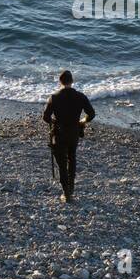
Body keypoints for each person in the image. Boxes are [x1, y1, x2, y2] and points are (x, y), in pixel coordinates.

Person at [42, 70, 95, 202]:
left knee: (61, 162)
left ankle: (66, 192)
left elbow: (46, 117)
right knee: (72, 158)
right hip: (74, 132)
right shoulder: (80, 96)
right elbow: (91, 114)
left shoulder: (54, 97)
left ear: (60, 81)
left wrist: (54, 122)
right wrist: (82, 121)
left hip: (60, 132)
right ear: (72, 81)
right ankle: (71, 187)